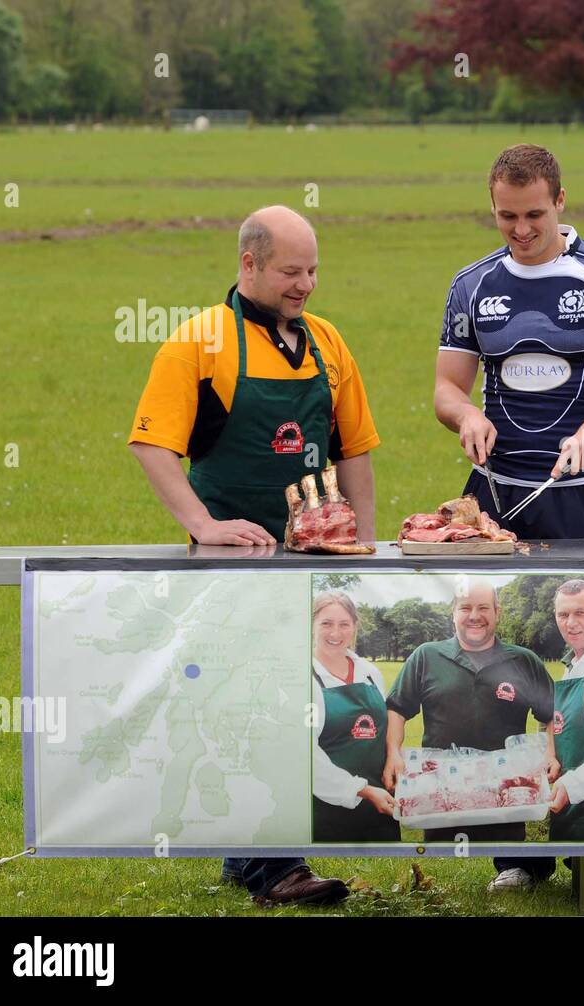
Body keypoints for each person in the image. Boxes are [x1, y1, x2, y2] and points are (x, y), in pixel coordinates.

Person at [128, 204, 381, 905]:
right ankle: (270, 866)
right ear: (248, 265)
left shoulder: (328, 342)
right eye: (290, 272)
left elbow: (355, 448)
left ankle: (260, 859)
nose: (305, 285)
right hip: (234, 565)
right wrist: (203, 524)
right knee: (248, 703)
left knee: (305, 703)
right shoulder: (198, 344)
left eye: (313, 271)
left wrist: (359, 539)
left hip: (316, 561)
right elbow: (152, 443)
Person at [433, 143, 584, 539]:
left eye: (535, 214)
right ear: (492, 208)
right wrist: (466, 415)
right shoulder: (471, 284)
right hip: (491, 494)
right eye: (508, 216)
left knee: (581, 603)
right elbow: (447, 387)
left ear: (560, 200)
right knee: (488, 604)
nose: (521, 230)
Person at [383, 579, 559, 892]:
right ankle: (435, 878)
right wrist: (394, 753)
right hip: (442, 786)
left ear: (497, 612)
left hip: (506, 786)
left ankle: (519, 868)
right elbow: (397, 708)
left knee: (510, 851)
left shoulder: (523, 660)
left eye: (483, 608)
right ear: (453, 612)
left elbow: (551, 715)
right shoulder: (427, 656)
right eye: (466, 607)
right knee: (439, 861)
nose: (474, 615)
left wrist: (548, 752)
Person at [311, 592, 401, 844]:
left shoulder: (370, 673)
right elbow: (305, 755)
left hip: (381, 804)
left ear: (355, 627)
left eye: (344, 624)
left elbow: (383, 730)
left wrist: (393, 759)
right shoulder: (304, 679)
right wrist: (361, 790)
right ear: (312, 626)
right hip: (328, 809)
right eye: (326, 624)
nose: (335, 633)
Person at [547, 579, 584, 886]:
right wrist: (552, 755)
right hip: (571, 800)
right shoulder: (573, 663)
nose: (570, 623)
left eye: (580, 613)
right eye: (562, 615)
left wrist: (574, 784)